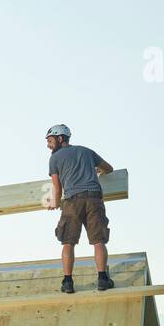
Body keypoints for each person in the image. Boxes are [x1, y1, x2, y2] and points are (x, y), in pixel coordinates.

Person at [42, 124, 115, 293]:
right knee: (98, 240)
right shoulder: (87, 151)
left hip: (72, 201)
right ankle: (102, 279)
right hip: (94, 198)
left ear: (60, 139)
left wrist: (54, 203)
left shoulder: (54, 159)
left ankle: (68, 282)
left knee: (68, 242)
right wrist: (97, 170)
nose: (48, 145)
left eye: (50, 141)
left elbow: (57, 188)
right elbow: (109, 169)